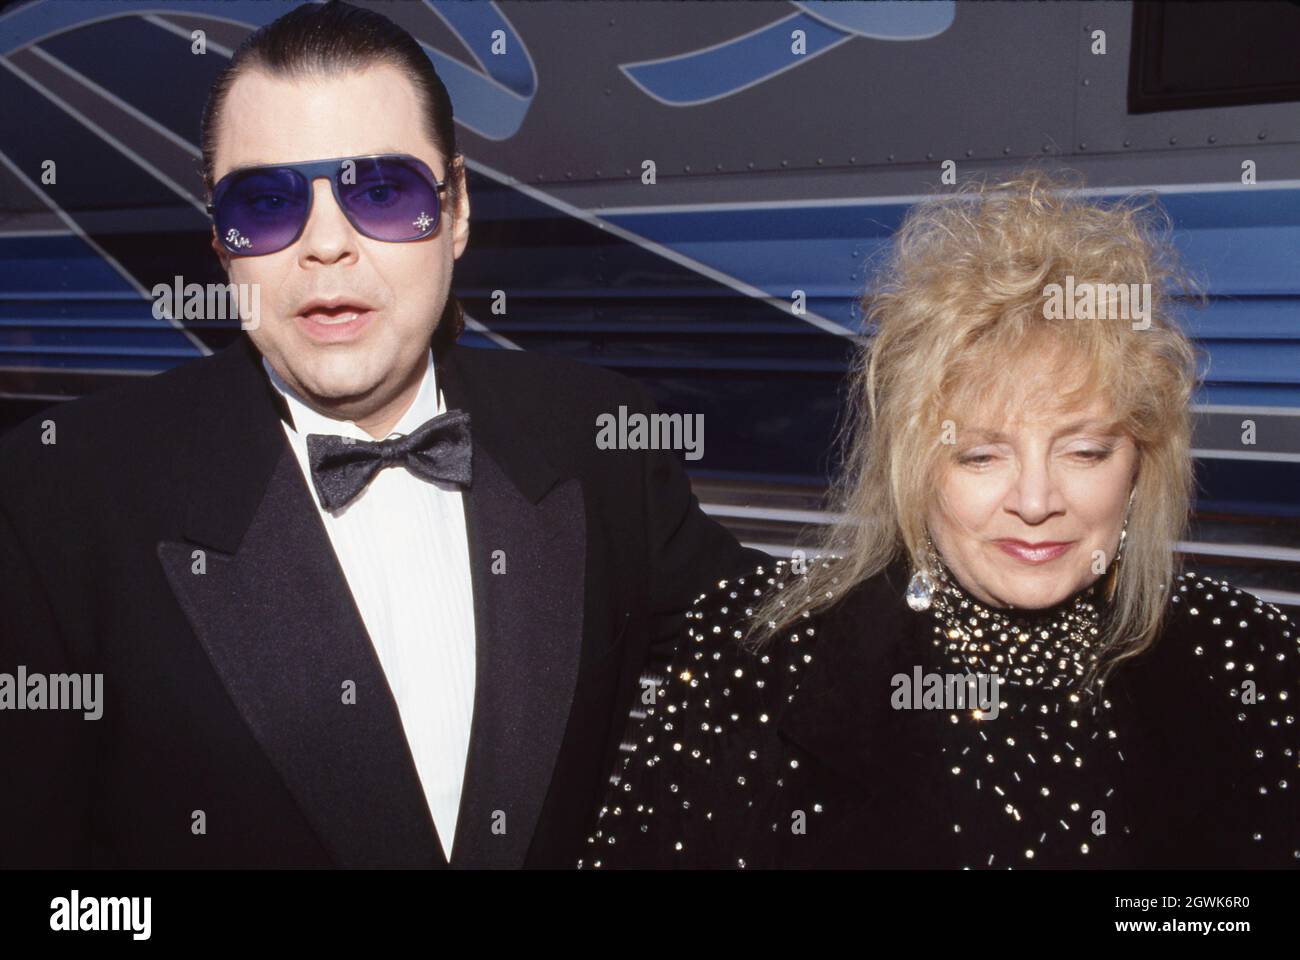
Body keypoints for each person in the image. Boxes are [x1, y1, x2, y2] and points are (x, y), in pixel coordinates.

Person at [0, 1, 759, 868]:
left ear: (458, 208)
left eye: (382, 192)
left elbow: (797, 645)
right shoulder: (60, 498)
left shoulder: (598, 441)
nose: (326, 244)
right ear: (220, 241)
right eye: (267, 202)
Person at [583, 171, 1299, 869]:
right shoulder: (762, 656)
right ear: (914, 467)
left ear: (1140, 460)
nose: (1036, 500)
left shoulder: (1246, 658)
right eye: (982, 456)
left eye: (1084, 451)